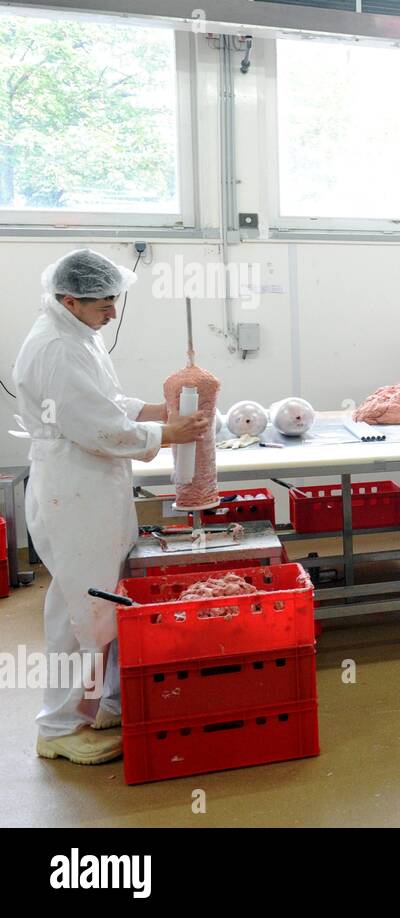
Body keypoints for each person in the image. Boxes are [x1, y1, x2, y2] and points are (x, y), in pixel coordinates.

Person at [14, 249, 209, 766]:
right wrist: (167, 432)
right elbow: (91, 424)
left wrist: (156, 409)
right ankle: (58, 726)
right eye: (106, 303)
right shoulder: (56, 346)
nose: (113, 313)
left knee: (103, 604)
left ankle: (96, 705)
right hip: (74, 488)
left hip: (93, 487)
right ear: (70, 299)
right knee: (82, 610)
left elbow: (106, 403)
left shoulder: (79, 336)